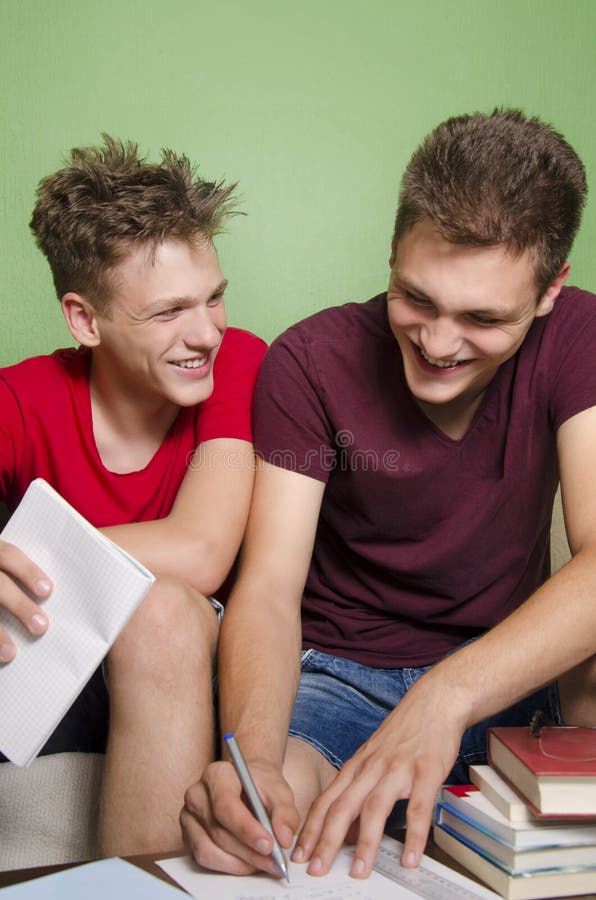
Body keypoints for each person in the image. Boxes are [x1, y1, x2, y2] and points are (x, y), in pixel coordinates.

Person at [180, 109, 596, 879]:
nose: (439, 343)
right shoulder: (310, 361)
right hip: (345, 679)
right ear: (394, 250)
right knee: (269, 831)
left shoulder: (580, 335)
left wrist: (444, 698)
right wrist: (256, 767)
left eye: (484, 318)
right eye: (417, 299)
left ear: (550, 292)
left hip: (511, 671)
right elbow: (269, 588)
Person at [0, 136, 266, 856]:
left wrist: (20, 552)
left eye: (215, 298)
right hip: (51, 677)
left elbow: (201, 550)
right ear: (85, 320)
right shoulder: (22, 398)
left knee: (163, 605)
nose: (206, 332)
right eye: (170, 311)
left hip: (176, 668)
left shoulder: (240, 361)